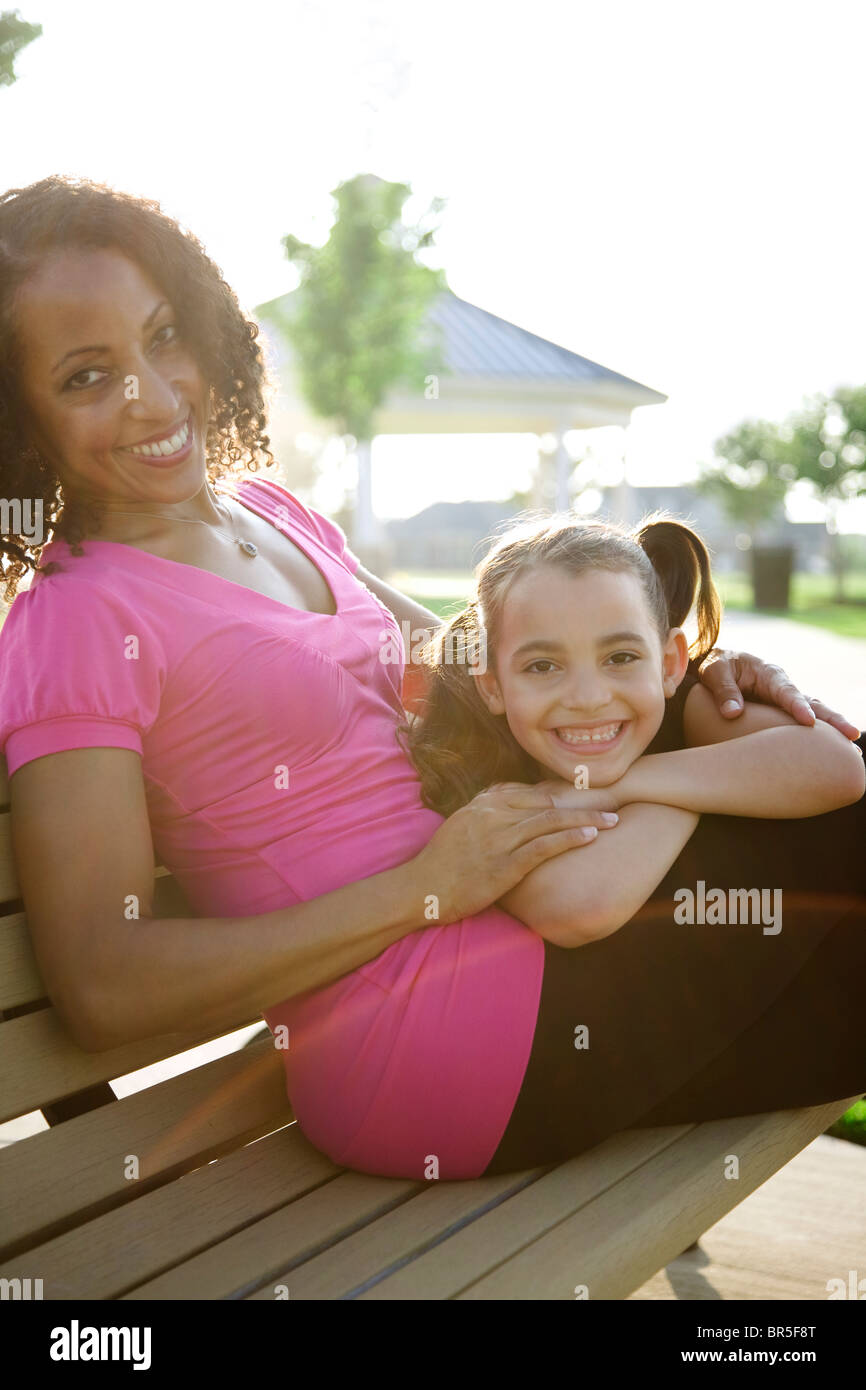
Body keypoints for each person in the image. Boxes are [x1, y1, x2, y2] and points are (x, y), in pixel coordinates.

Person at [0, 175, 861, 1183]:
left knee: (820, 813)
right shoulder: (74, 621)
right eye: (87, 376)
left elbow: (482, 665)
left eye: (164, 335)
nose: (153, 393)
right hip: (433, 1049)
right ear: (22, 418)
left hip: (530, 924)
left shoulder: (273, 513)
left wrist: (687, 679)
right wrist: (423, 891)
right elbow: (106, 984)